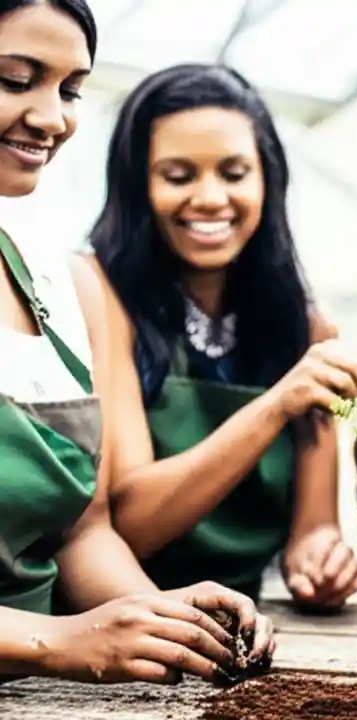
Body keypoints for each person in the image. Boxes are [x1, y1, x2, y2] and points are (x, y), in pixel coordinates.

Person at [0, 0, 274, 684]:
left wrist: (162, 616)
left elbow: (83, 531)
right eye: (13, 79)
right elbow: (64, 636)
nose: (51, 117)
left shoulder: (60, 283)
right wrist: (57, 640)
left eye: (69, 89)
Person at [90, 64, 357, 608]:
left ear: (267, 178)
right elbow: (129, 524)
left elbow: (313, 530)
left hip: (245, 628)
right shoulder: (103, 295)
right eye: (178, 176)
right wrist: (274, 406)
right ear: (136, 186)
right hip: (124, 619)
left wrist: (320, 558)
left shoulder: (308, 329)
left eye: (234, 172)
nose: (210, 197)